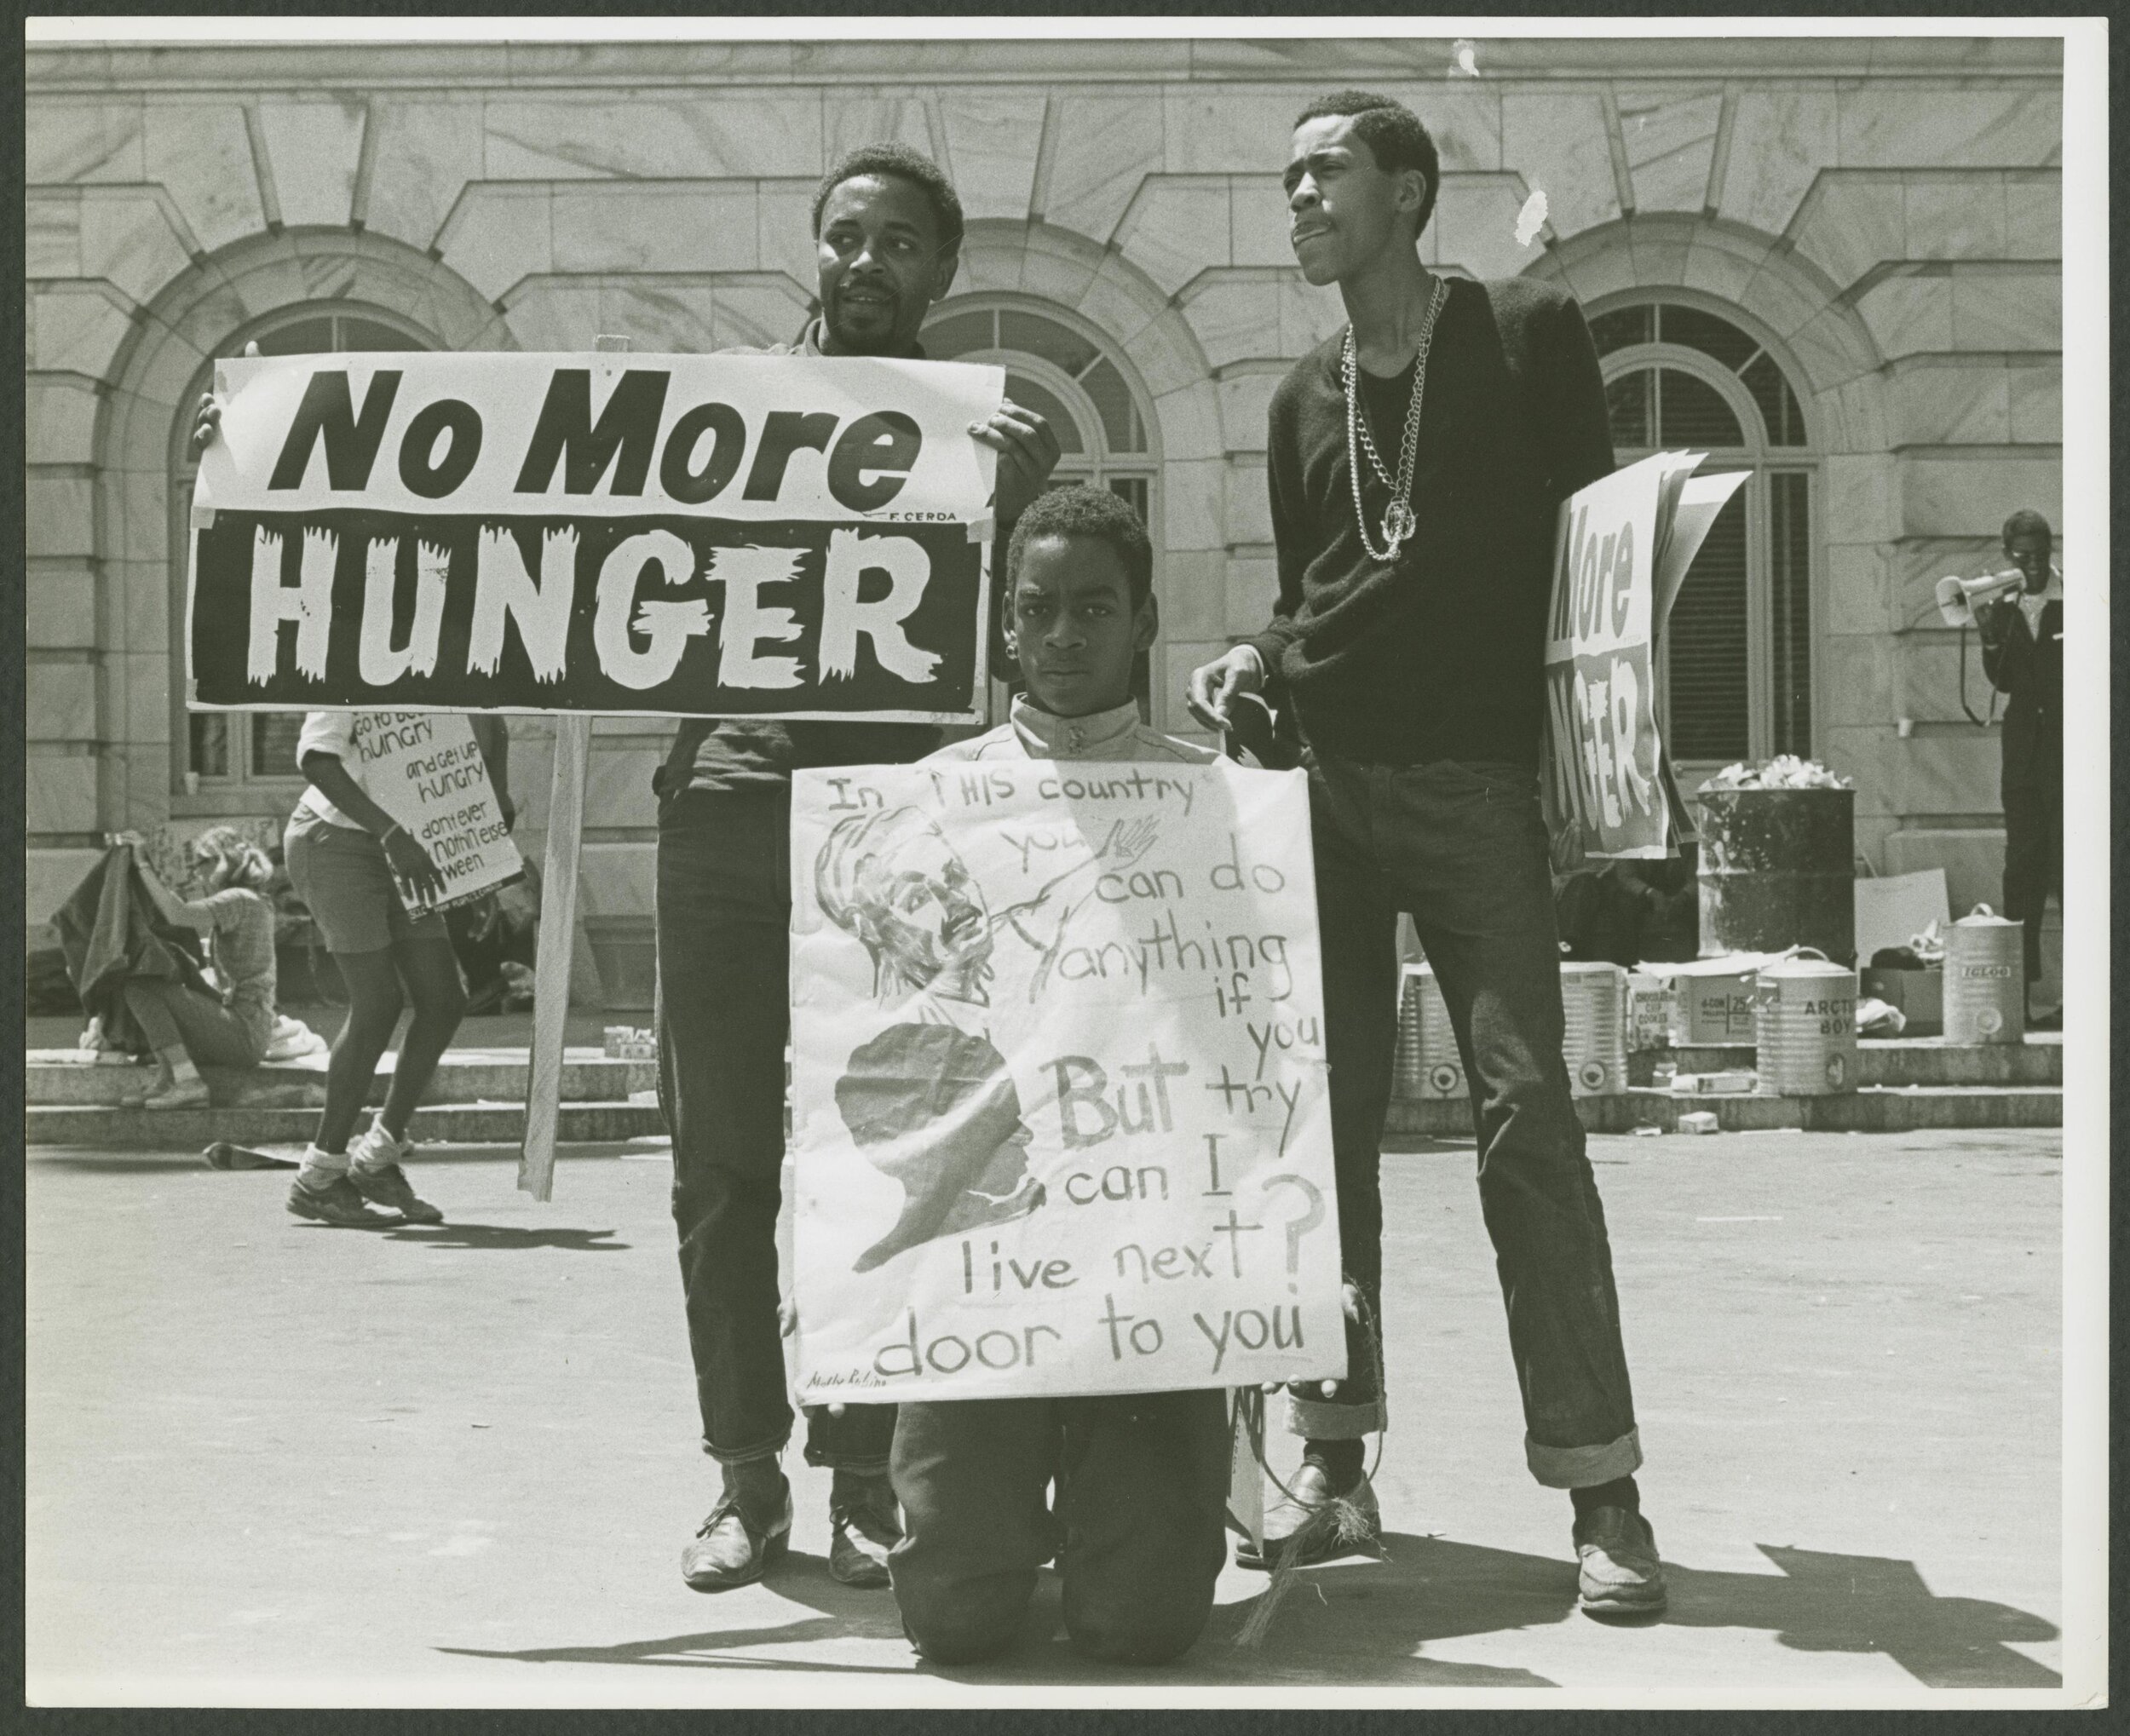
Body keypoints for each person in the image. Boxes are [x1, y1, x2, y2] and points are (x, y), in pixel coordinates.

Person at [1186, 90, 1664, 1617]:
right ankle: (1335, 1457)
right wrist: (1252, 658)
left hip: (1475, 788)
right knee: (1322, 1137)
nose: (1298, 195)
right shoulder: (1297, 397)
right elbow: (1318, 585)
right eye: (1289, 177)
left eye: (1324, 171)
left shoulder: (1526, 330)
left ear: (1406, 189)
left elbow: (1597, 567)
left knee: (1529, 1110)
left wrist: (1607, 781)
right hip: (1320, 782)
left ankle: (1602, 1483)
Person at [654, 142, 1061, 1594]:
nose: (865, 262)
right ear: (810, 256)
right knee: (719, 1169)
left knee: (882, 1156)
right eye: (843, 237)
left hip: (890, 832)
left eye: (897, 243)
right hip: (721, 811)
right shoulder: (722, 414)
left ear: (941, 274)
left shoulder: (987, 433)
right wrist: (266, 448)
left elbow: (1043, 634)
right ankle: (741, 1474)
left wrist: (1022, 501)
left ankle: (865, 1475)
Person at [881, 485, 1229, 1666]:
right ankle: (992, 1522)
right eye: (1039, 610)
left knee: (1143, 1626)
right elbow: (872, 1040)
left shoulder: (1218, 801)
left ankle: (1132, 1522)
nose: (1066, 636)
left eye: (1095, 608)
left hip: (1153, 1240)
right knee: (953, 1620)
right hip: (985, 1246)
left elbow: (1268, 1047)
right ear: (1006, 629)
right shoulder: (929, 799)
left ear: (1143, 621)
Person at [279, 710, 514, 1228]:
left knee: (444, 997)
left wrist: (478, 875)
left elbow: (487, 802)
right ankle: (319, 1177)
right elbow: (318, 760)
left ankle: (377, 1158)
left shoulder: (482, 700)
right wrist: (390, 834)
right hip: (335, 843)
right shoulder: (364, 656)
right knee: (379, 1001)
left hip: (410, 852)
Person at [103, 826, 280, 1108]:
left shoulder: (238, 899)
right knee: (149, 984)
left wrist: (142, 863)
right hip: (247, 1027)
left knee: (140, 987)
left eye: (200, 863)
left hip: (244, 1032)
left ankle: (187, 1082)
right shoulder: (252, 900)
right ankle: (167, 1079)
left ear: (220, 861)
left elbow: (178, 913)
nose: (196, 873)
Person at [1976, 509, 2062, 1028]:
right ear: (2008, 555)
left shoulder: (2076, 595)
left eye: (2039, 554)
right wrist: (1989, 637)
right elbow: (2004, 682)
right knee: (2022, 871)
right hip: (2025, 758)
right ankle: (2023, 997)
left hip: (2070, 751)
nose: (2031, 565)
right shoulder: (2003, 604)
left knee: (2076, 870)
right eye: (2021, 556)